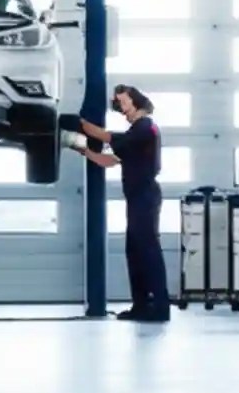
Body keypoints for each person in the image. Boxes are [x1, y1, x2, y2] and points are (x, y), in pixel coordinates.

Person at [73, 85, 170, 322]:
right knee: (135, 252)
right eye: (118, 102)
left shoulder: (145, 127)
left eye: (123, 101)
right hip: (138, 198)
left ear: (136, 101)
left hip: (145, 197)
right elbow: (110, 160)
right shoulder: (137, 133)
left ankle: (159, 307)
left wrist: (79, 125)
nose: (120, 106)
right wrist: (83, 150)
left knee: (148, 252)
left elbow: (106, 137)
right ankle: (141, 306)